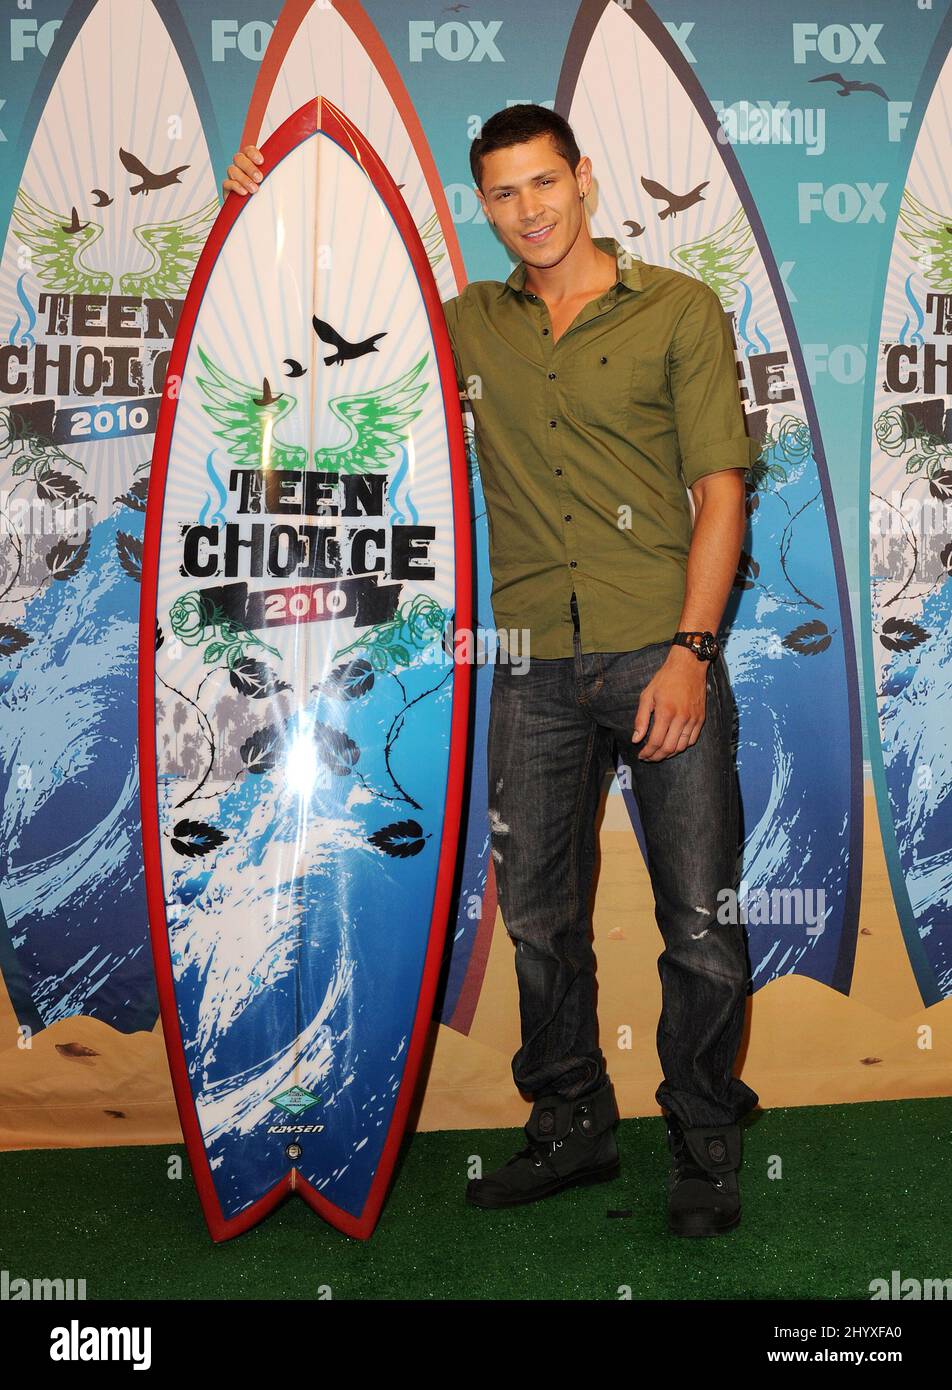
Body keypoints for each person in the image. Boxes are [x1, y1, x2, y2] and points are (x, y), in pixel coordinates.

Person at [223, 103, 761, 1238]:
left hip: (656, 646)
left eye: (543, 183)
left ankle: (705, 1138)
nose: (528, 210)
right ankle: (572, 1123)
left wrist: (692, 651)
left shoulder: (677, 308)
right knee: (538, 917)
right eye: (503, 193)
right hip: (523, 661)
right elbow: (314, 334)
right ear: (484, 204)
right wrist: (252, 214)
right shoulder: (460, 322)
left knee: (699, 915)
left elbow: (721, 490)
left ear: (584, 177)